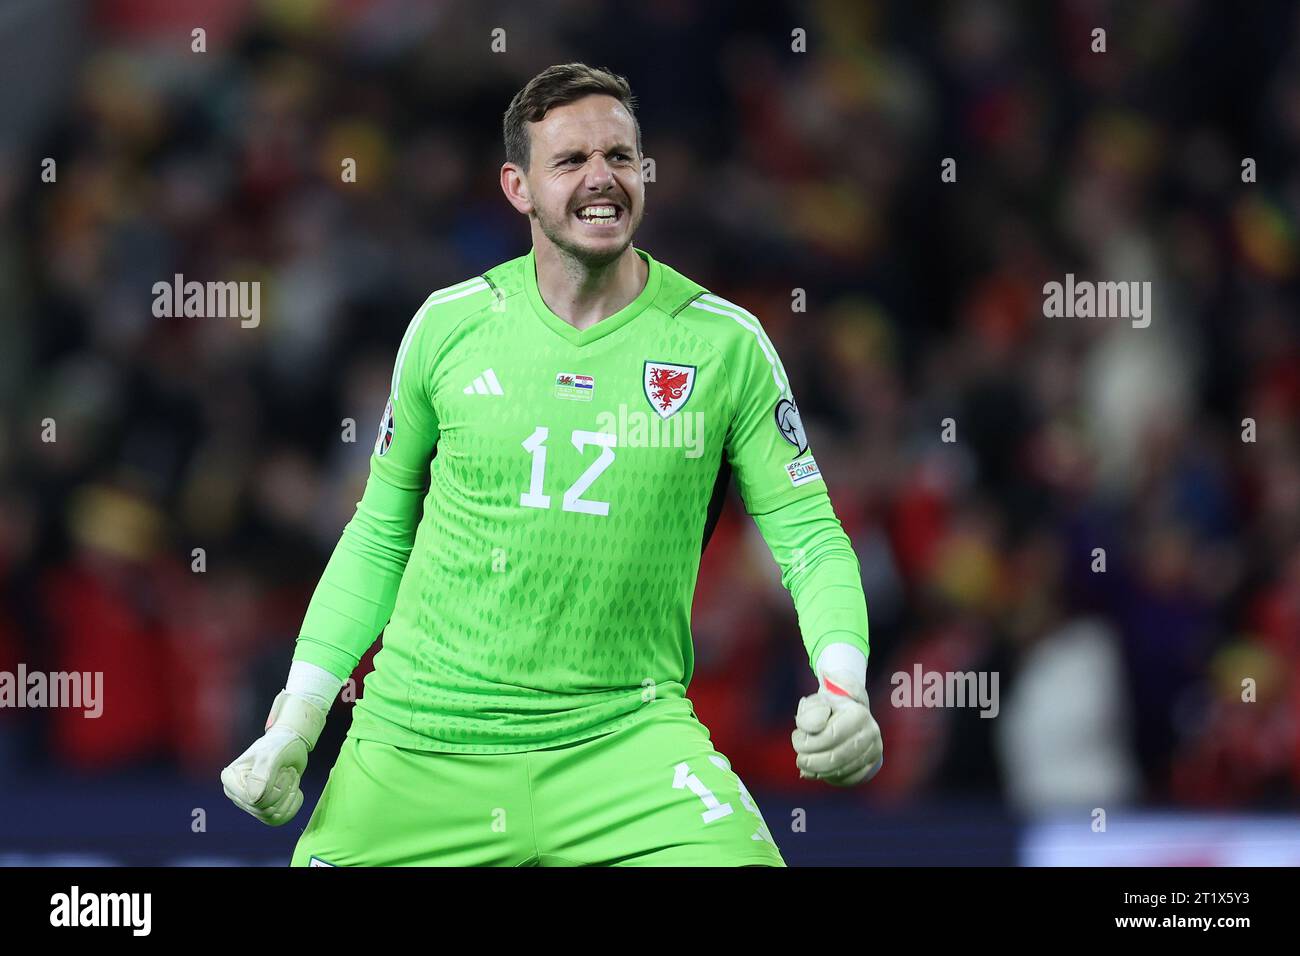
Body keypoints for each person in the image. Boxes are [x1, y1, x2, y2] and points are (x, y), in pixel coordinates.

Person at [221, 62, 882, 867]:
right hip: (419, 747)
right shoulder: (449, 328)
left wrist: (843, 685)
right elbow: (378, 535)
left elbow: (809, 534)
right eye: (570, 161)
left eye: (619, 156)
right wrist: (296, 720)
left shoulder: (725, 345)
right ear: (518, 187)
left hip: (626, 746)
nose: (601, 178)